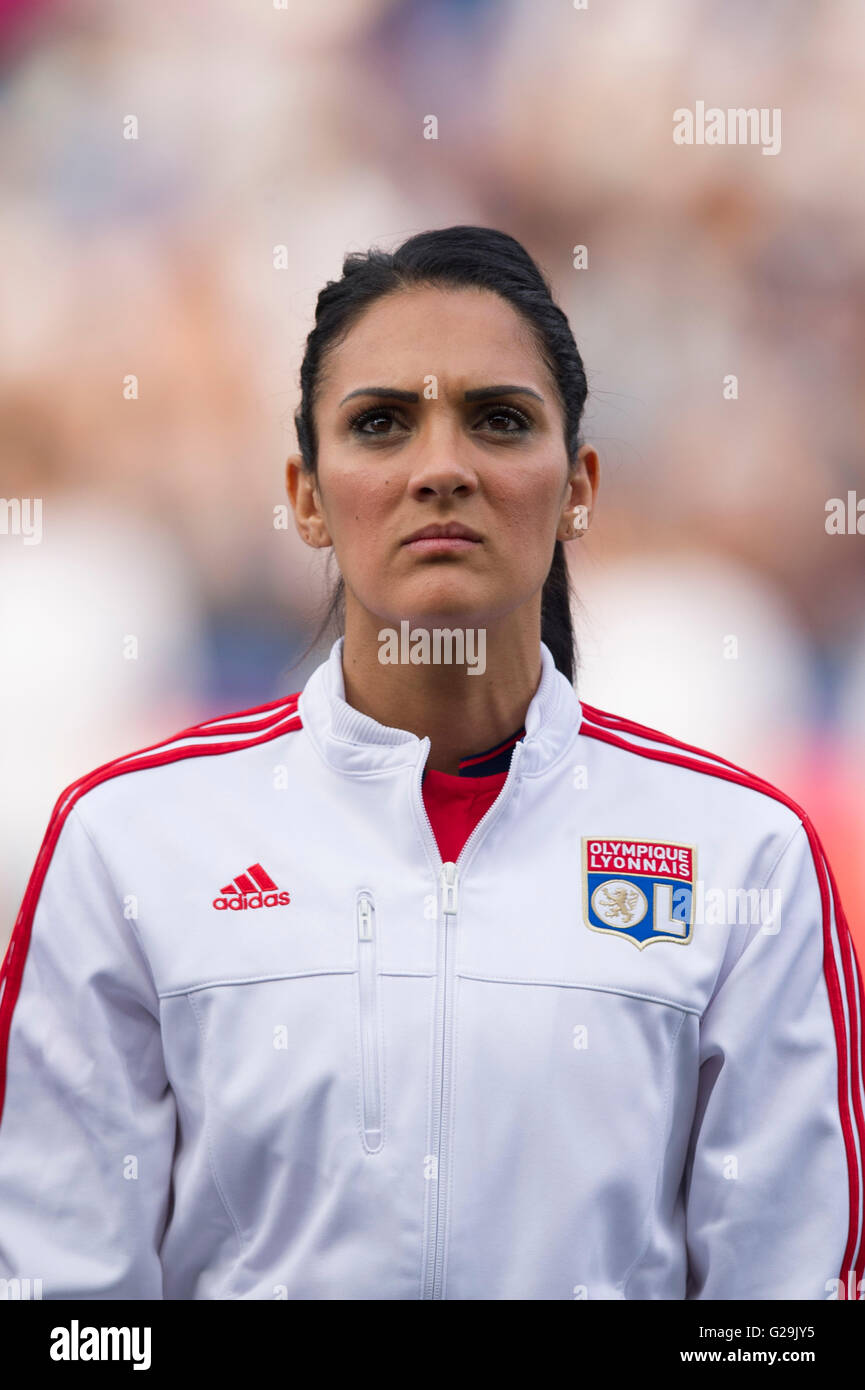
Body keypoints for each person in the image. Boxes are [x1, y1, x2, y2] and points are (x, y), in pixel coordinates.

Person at [0, 225, 862, 1301]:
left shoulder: (746, 856)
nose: (442, 469)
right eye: (380, 424)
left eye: (498, 420)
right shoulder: (129, 842)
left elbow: (781, 1312)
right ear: (305, 496)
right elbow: (63, 1304)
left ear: (579, 487)